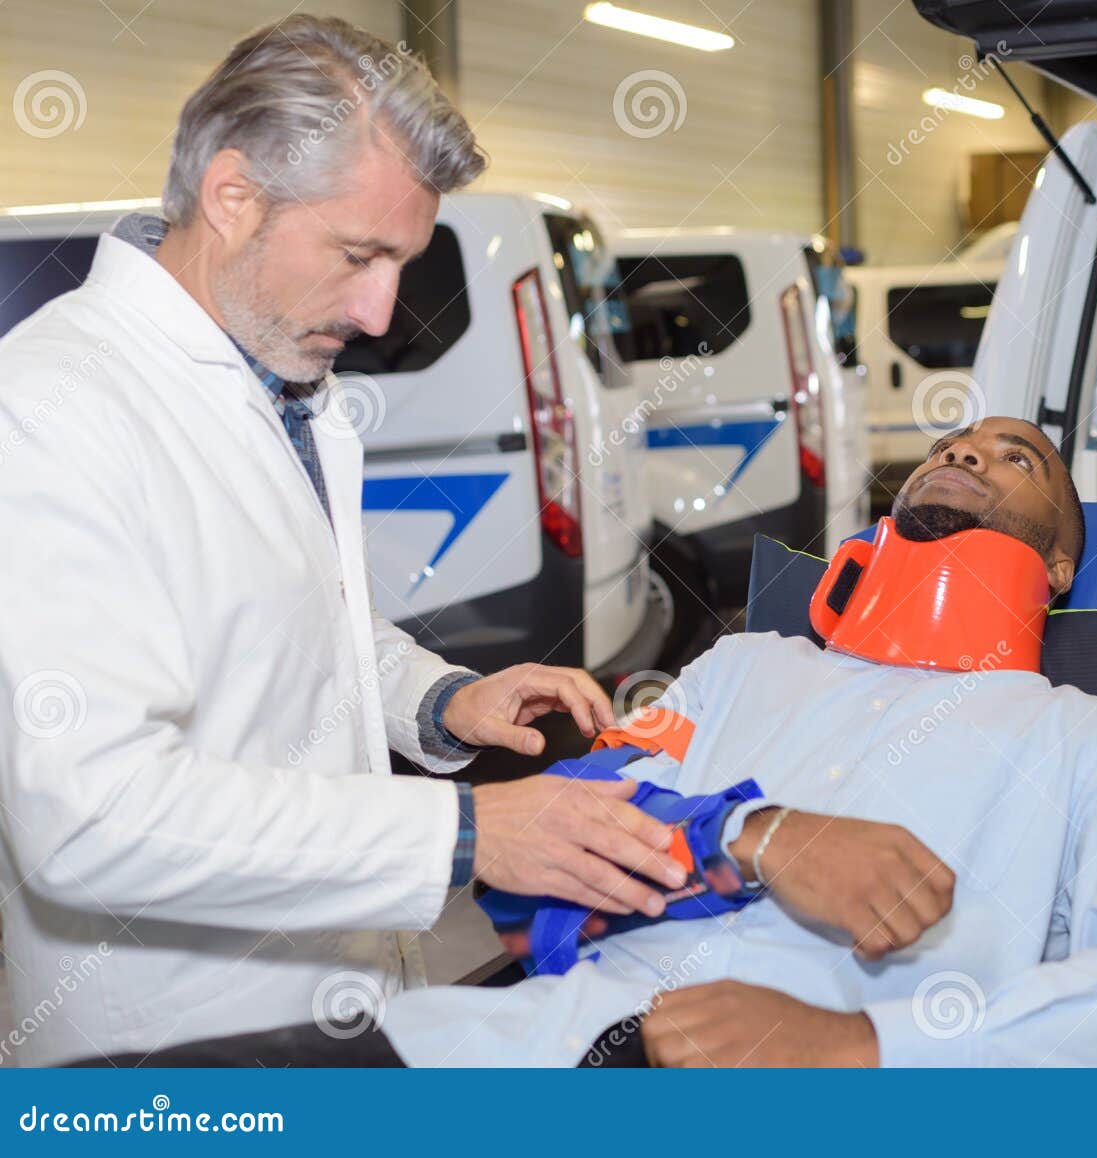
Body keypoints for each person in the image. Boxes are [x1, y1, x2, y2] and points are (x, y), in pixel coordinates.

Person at [85, 417, 1097, 1068]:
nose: (968, 451)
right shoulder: (745, 667)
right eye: (953, 441)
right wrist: (753, 835)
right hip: (534, 1045)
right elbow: (556, 851)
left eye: (1018, 459)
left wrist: (865, 1046)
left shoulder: (1094, 745)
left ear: (1057, 568)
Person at [0, 16, 685, 1068]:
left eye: (400, 260)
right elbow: (91, 814)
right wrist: (470, 835)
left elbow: (299, 619)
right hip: (180, 1046)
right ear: (232, 198)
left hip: (341, 998)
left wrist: (438, 699)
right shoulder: (48, 410)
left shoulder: (278, 384)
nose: (379, 311)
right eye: (361, 254)